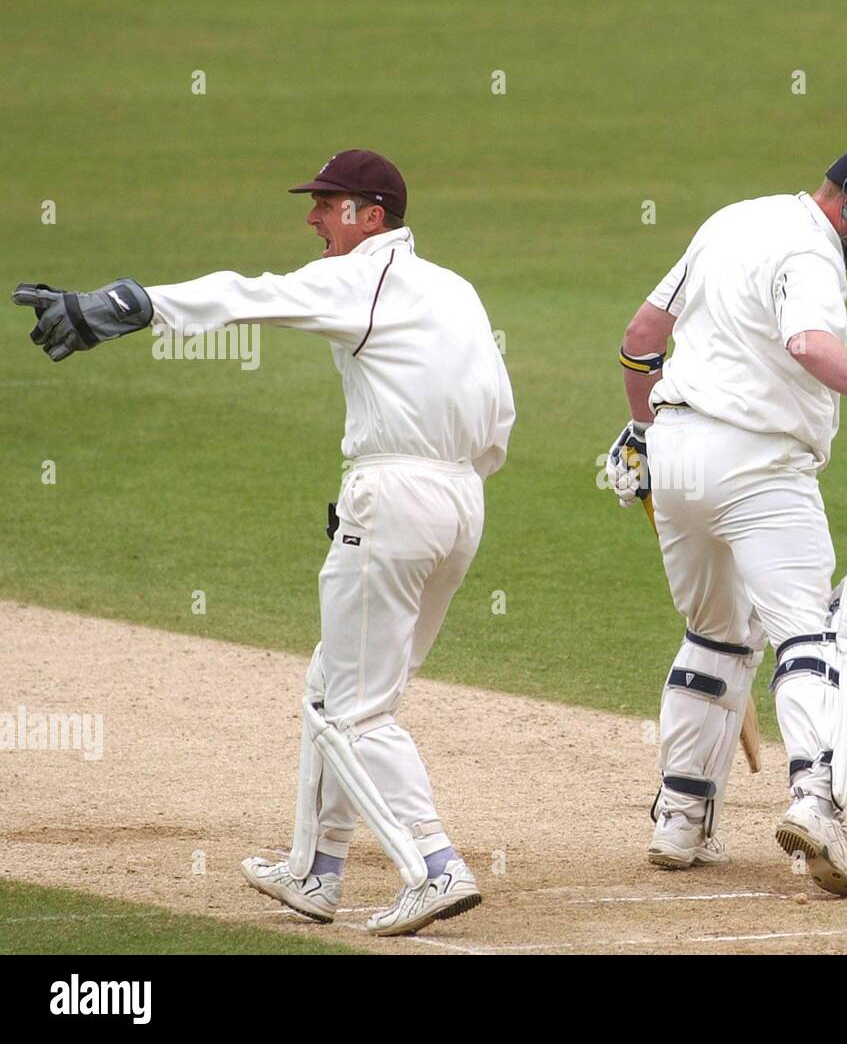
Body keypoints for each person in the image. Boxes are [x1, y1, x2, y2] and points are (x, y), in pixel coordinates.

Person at [13, 148, 516, 933]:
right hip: (462, 499)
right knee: (332, 685)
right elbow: (498, 415)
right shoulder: (455, 290)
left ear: (371, 215)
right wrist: (421, 490)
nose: (313, 218)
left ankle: (435, 866)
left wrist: (125, 304)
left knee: (354, 710)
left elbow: (249, 296)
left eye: (328, 204)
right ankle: (317, 870)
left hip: (394, 496)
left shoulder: (363, 276)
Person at [606, 147, 847, 896]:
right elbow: (808, 343)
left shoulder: (733, 218)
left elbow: (641, 340)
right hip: (759, 463)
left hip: (678, 459)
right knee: (817, 629)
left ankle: (680, 818)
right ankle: (816, 802)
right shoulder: (811, 251)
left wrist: (641, 434)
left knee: (717, 634)